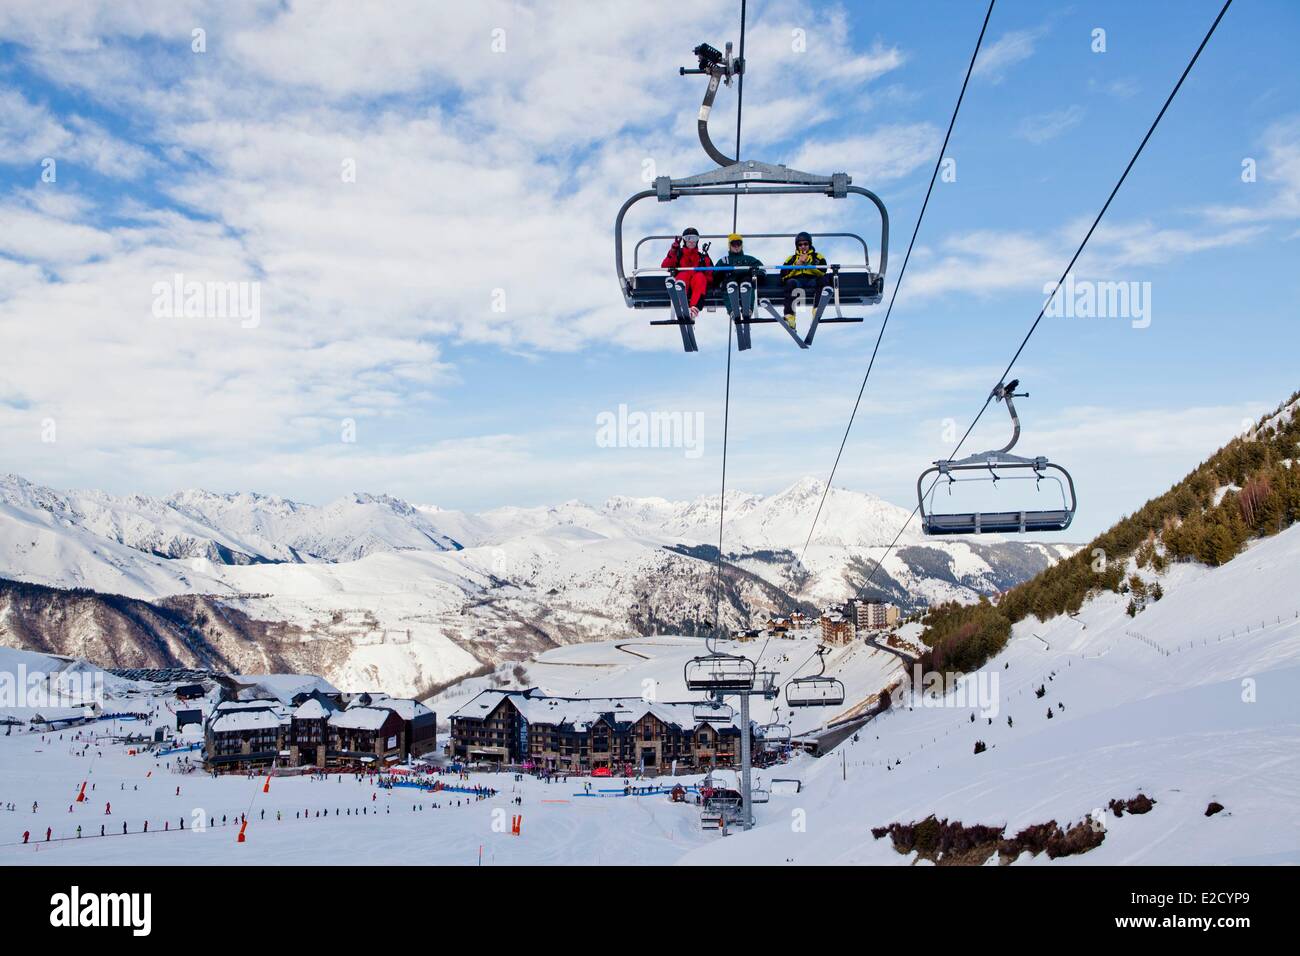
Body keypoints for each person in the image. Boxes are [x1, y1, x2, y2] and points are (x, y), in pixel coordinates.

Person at [660, 227, 713, 318]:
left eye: (694, 239)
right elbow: (665, 265)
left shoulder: (702, 257)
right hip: (684, 280)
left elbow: (711, 275)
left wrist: (706, 260)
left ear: (697, 241)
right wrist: (673, 251)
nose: (691, 241)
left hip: (697, 283)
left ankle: (693, 309)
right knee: (683, 275)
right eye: (688, 238)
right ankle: (680, 304)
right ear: (684, 240)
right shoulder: (678, 254)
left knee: (700, 276)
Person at [780, 231, 828, 330]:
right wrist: (796, 266)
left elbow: (823, 271)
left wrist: (808, 265)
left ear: (809, 244)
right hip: (797, 281)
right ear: (797, 246)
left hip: (812, 279)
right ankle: (790, 316)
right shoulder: (791, 259)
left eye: (805, 244)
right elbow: (783, 275)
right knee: (789, 283)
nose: (803, 246)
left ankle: (817, 311)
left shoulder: (817, 257)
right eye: (800, 244)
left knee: (823, 280)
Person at [716, 233, 764, 313]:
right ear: (729, 246)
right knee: (729, 283)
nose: (736, 246)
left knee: (747, 281)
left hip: (745, 279)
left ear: (742, 245)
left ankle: (748, 308)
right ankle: (732, 310)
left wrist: (754, 272)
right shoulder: (724, 260)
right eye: (733, 244)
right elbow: (714, 273)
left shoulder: (749, 259)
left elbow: (762, 270)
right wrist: (720, 275)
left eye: (738, 243)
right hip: (730, 280)